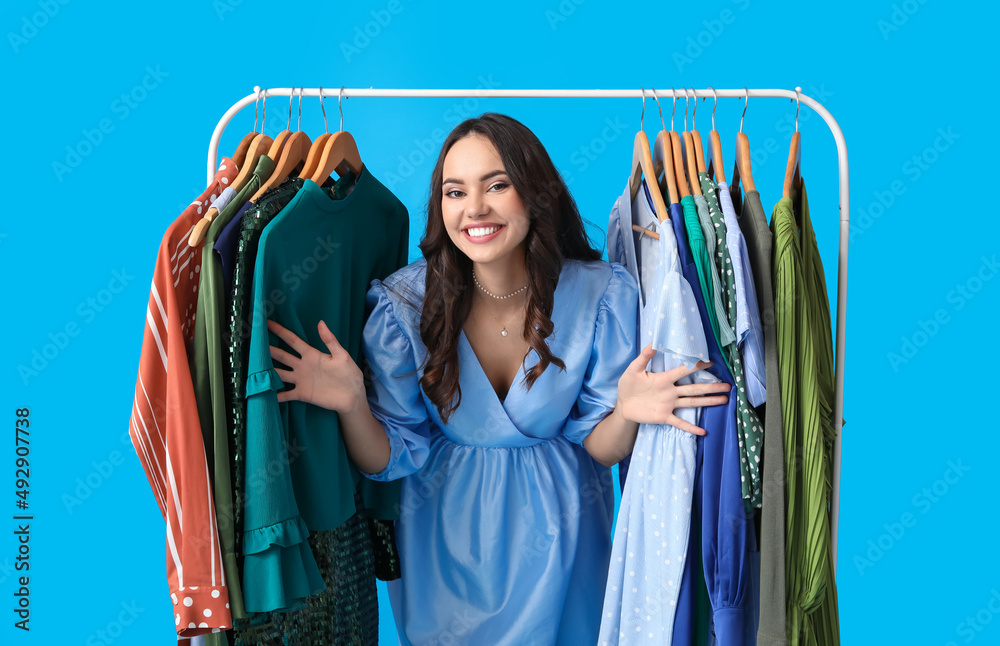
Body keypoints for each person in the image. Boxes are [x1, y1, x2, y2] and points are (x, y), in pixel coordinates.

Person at [265, 113, 730, 645]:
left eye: (497, 185)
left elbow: (601, 449)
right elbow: (392, 458)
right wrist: (352, 403)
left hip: (569, 544)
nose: (475, 209)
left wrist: (625, 409)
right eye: (455, 191)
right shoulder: (403, 305)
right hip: (444, 548)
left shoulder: (600, 294)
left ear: (534, 193)